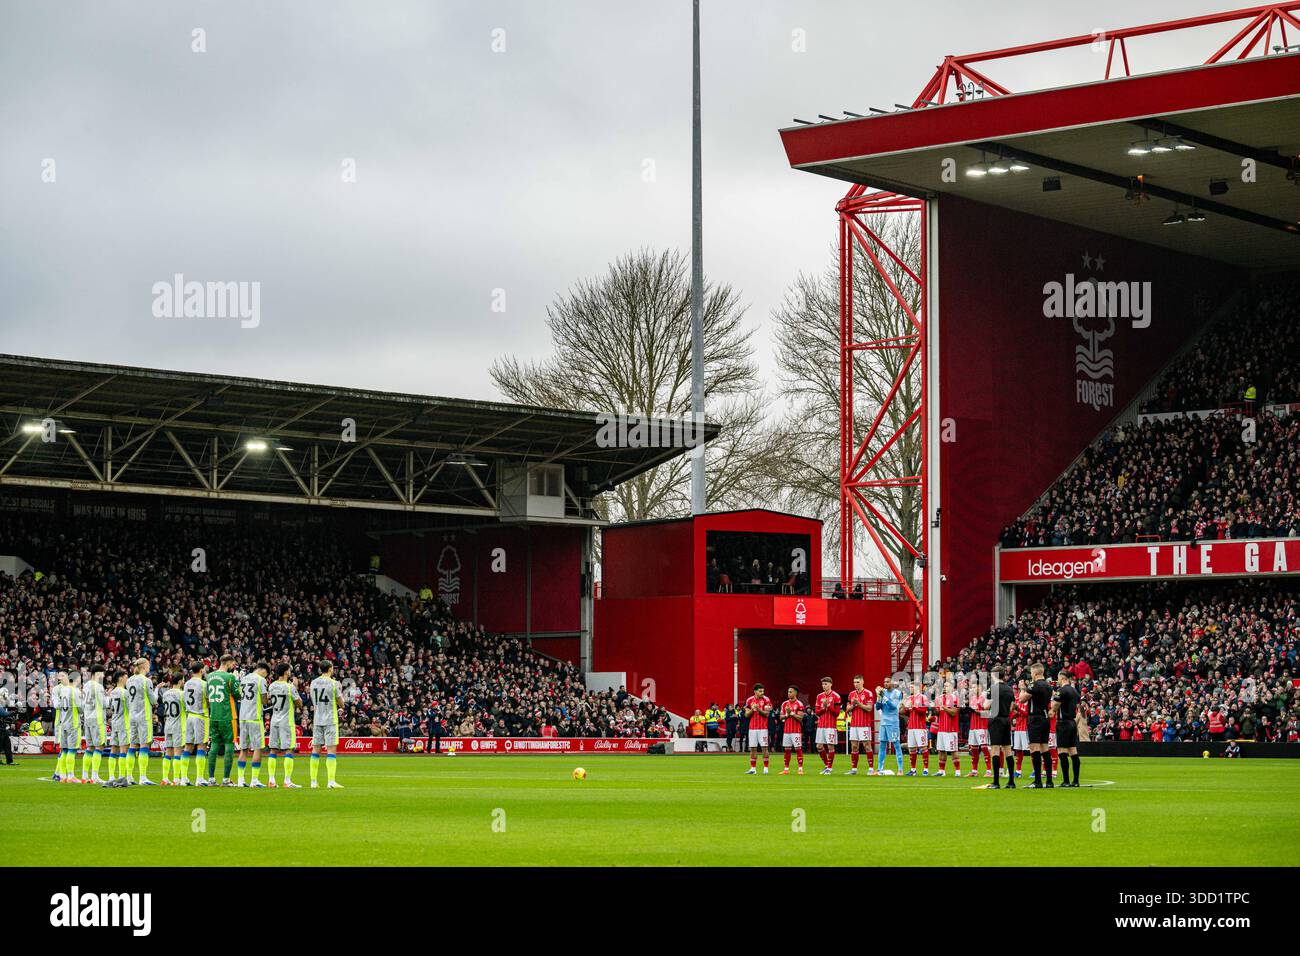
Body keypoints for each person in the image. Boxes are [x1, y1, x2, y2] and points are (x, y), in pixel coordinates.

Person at [204, 654, 241, 786]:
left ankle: (211, 779)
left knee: (214, 746)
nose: (233, 666)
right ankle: (226, 779)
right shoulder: (230, 677)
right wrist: (237, 680)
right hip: (227, 716)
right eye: (233, 664)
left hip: (214, 715)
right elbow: (238, 695)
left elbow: (207, 696)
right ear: (228, 663)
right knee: (230, 745)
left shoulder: (209, 677)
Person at [267, 663, 302, 788]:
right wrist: (296, 687)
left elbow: (268, 700)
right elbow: (299, 704)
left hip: (274, 719)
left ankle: (271, 780)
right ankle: (287, 781)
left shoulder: (271, 686)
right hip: (286, 721)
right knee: (289, 749)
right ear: (286, 672)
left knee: (273, 749)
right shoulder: (289, 687)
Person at [310, 660, 344, 789]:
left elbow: (313, 701)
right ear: (330, 669)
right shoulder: (334, 683)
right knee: (331, 750)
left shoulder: (313, 682)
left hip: (317, 718)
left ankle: (313, 781)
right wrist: (342, 704)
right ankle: (331, 781)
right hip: (330, 719)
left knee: (315, 749)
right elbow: (341, 703)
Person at [125, 657, 158, 785]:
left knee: (132, 745)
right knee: (144, 745)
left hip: (132, 715)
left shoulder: (129, 680)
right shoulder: (146, 681)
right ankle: (143, 777)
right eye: (148, 664)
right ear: (144, 666)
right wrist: (157, 691)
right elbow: (153, 700)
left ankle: (129, 776)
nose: (149, 667)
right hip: (143, 716)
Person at [1020, 663, 1054, 788]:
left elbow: (1022, 699)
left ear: (1034, 673)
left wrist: (1023, 688)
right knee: (1045, 747)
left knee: (1034, 748)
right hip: (1045, 718)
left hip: (1035, 718)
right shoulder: (1049, 686)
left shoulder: (1034, 685)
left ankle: (1038, 781)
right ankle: (1049, 781)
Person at [237, 661, 269, 787]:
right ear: (263, 671)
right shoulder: (261, 680)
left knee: (243, 750)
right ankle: (254, 780)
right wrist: (267, 699)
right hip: (255, 718)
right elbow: (264, 699)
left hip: (243, 718)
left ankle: (240, 780)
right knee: (257, 748)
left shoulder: (244, 679)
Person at [987, 666, 1016, 790]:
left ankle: (996, 782)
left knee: (995, 750)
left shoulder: (993, 688)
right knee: (1008, 750)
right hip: (1005, 719)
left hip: (996, 720)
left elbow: (986, 705)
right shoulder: (1009, 689)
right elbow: (1012, 706)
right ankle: (1011, 781)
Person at [1052, 670, 1082, 787]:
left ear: (1062, 678)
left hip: (1063, 723)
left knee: (1062, 751)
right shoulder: (1074, 691)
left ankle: (1066, 780)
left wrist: (1054, 698)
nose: (1058, 681)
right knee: (1073, 751)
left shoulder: (1061, 691)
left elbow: (1054, 707)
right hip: (1072, 722)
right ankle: (1076, 781)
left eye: (1059, 678)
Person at [181, 662, 207, 787]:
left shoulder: (186, 683)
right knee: (201, 746)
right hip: (200, 716)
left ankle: (184, 778)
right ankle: (200, 778)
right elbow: (208, 700)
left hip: (189, 716)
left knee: (188, 747)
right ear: (201, 670)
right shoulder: (203, 684)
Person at [51, 670, 81, 783]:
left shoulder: (66, 689)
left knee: (64, 749)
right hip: (62, 721)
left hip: (64, 721)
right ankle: (65, 774)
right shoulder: (57, 689)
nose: (61, 677)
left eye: (63, 675)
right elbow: (56, 705)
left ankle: (59, 773)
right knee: (66, 749)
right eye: (59, 676)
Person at [80, 667, 107, 784]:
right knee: (99, 746)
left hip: (87, 717)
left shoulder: (86, 685)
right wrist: (108, 697)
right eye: (102, 673)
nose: (104, 676)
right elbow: (104, 704)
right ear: (98, 673)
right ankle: (94, 776)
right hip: (97, 718)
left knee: (90, 747)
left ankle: (84, 775)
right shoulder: (98, 686)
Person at [103, 670, 130, 788]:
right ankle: (122, 777)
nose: (127, 679)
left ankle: (111, 777)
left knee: (114, 749)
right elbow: (130, 708)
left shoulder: (112, 693)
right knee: (124, 750)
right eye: (126, 677)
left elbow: (109, 708)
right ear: (120, 679)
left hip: (115, 722)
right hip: (124, 722)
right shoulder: (125, 693)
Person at [846, 675, 874, 775]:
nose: (856, 684)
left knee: (867, 746)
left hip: (864, 724)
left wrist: (859, 703)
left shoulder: (868, 693)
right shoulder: (851, 694)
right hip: (854, 725)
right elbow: (847, 709)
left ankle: (871, 768)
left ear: (862, 682)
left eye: (858, 682)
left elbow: (869, 708)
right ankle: (854, 769)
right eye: (854, 682)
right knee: (854, 746)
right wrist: (853, 705)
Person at [158, 673, 184, 786]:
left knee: (168, 752)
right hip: (178, 724)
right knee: (178, 752)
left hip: (168, 724)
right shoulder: (182, 694)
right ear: (179, 681)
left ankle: (165, 778)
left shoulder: (166, 694)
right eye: (182, 680)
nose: (183, 682)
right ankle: (176, 779)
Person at [875, 678, 904, 774]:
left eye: (887, 682)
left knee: (896, 744)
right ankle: (879, 768)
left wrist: (883, 696)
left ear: (892, 682)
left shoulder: (897, 693)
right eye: (884, 682)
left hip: (893, 723)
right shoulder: (882, 693)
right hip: (883, 722)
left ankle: (900, 769)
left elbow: (893, 706)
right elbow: (878, 707)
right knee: (882, 745)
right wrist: (879, 697)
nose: (885, 683)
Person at [742, 682, 772, 775]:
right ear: (755, 691)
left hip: (763, 728)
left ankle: (766, 768)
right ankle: (753, 769)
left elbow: (767, 714)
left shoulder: (766, 700)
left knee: (764, 748)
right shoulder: (749, 700)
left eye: (763, 691)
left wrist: (758, 709)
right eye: (760, 691)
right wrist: (752, 709)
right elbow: (746, 715)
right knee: (753, 748)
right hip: (752, 728)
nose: (762, 692)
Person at [814, 677, 841, 775]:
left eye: (826, 684)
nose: (824, 686)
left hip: (831, 726)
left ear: (830, 684)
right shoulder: (819, 696)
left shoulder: (836, 696)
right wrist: (823, 708)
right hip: (821, 725)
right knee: (819, 746)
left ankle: (829, 768)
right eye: (823, 684)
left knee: (830, 746)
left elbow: (837, 713)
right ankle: (827, 765)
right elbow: (817, 712)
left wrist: (829, 707)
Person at [934, 679, 961, 777]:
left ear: (952, 688)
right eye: (944, 686)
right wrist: (935, 707)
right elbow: (937, 713)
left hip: (951, 729)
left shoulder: (955, 699)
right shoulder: (939, 698)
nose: (945, 688)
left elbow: (954, 713)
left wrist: (943, 706)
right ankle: (941, 771)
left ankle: (957, 771)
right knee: (941, 750)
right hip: (941, 729)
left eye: (947, 686)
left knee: (953, 750)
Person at [778, 685, 805, 775]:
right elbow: (781, 717)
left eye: (791, 692)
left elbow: (800, 718)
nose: (789, 693)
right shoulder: (784, 704)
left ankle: (800, 769)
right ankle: (786, 769)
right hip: (786, 731)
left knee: (798, 749)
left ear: (795, 693)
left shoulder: (799, 704)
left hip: (796, 731)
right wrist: (787, 715)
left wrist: (792, 713)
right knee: (787, 750)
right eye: (788, 692)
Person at [904, 681, 930, 776]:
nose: (910, 689)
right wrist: (905, 708)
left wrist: (914, 706)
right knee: (911, 749)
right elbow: (907, 713)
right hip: (911, 727)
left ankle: (926, 769)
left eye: (912, 687)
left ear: (917, 688)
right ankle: (913, 770)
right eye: (910, 687)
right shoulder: (909, 698)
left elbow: (924, 710)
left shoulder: (923, 698)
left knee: (923, 747)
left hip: (920, 727)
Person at [967, 682, 991, 778]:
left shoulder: (985, 698)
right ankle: (974, 771)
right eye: (971, 687)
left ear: (980, 687)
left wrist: (977, 712)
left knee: (984, 748)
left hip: (982, 726)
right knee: (973, 749)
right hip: (973, 727)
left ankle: (989, 771)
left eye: (974, 687)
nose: (972, 689)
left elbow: (988, 713)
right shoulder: (972, 699)